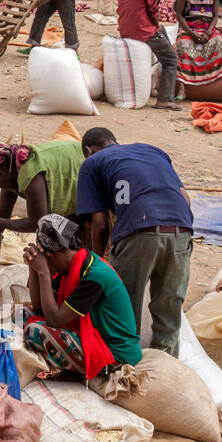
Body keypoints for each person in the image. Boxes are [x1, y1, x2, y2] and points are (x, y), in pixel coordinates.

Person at [76, 127, 193, 357]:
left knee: (123, 307)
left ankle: (126, 369)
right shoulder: (154, 152)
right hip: (181, 229)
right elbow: (185, 199)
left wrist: (98, 264)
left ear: (88, 150)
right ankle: (164, 368)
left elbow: (99, 224)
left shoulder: (92, 163)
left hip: (138, 232)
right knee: (169, 310)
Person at [19, 214, 142, 378]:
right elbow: (39, 308)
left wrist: (43, 273)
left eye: (46, 260)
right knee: (23, 315)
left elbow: (54, 319)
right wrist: (33, 267)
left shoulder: (95, 276)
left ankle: (92, 371)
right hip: (94, 339)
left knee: (36, 331)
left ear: (51, 255)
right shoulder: (70, 267)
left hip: (115, 353)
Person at [0, 141, 85, 238]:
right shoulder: (10, 172)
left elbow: (37, 223)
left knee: (62, 237)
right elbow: (3, 215)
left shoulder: (32, 177)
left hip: (82, 163)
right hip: (70, 157)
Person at [117, 0, 180, 110]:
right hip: (142, 31)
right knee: (171, 59)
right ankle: (165, 99)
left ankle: (160, 81)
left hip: (125, 29)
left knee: (163, 32)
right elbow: (153, 12)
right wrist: (157, 25)